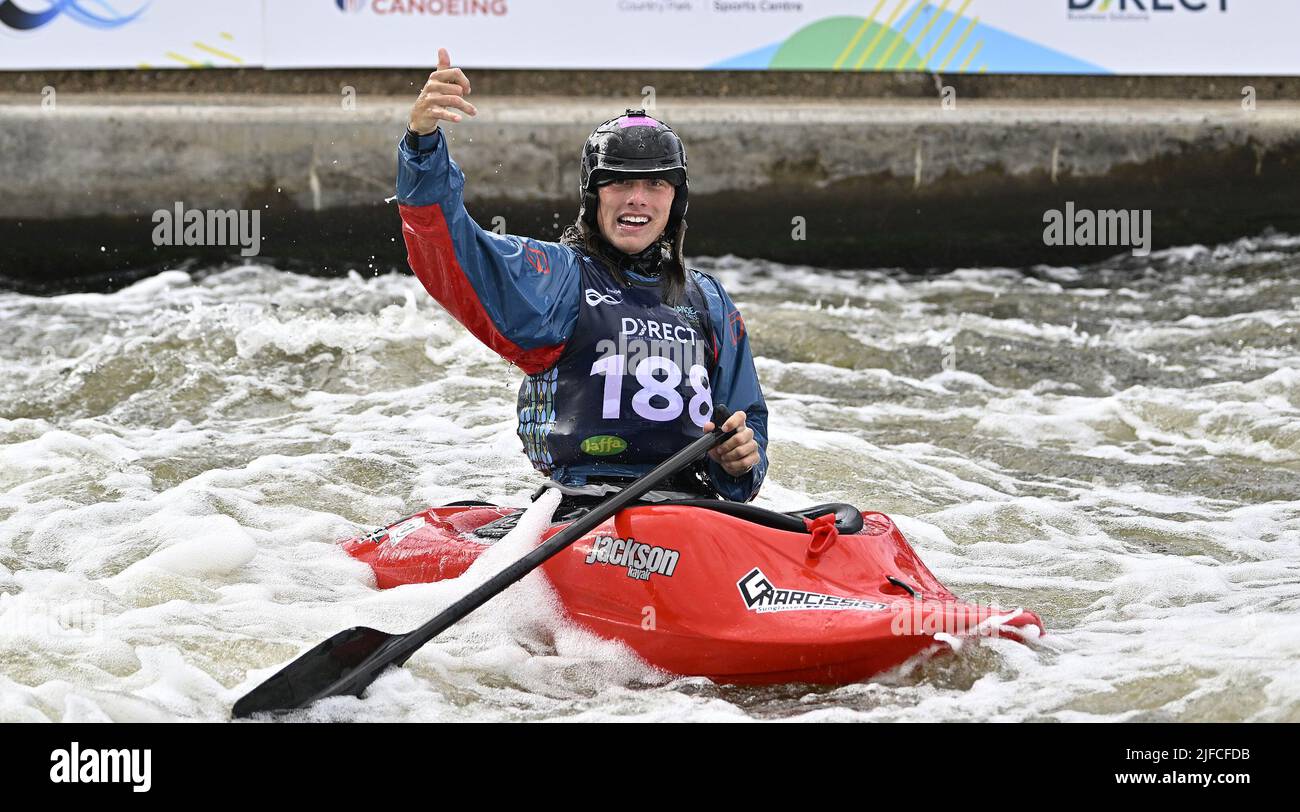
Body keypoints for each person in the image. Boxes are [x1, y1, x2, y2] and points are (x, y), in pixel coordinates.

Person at [395, 49, 767, 502]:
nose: (638, 200)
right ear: (594, 198)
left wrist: (741, 460)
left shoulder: (709, 300)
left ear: (675, 200)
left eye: (656, 185)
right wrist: (423, 142)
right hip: (580, 505)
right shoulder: (555, 278)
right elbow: (447, 248)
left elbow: (747, 425)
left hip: (691, 508)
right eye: (620, 183)